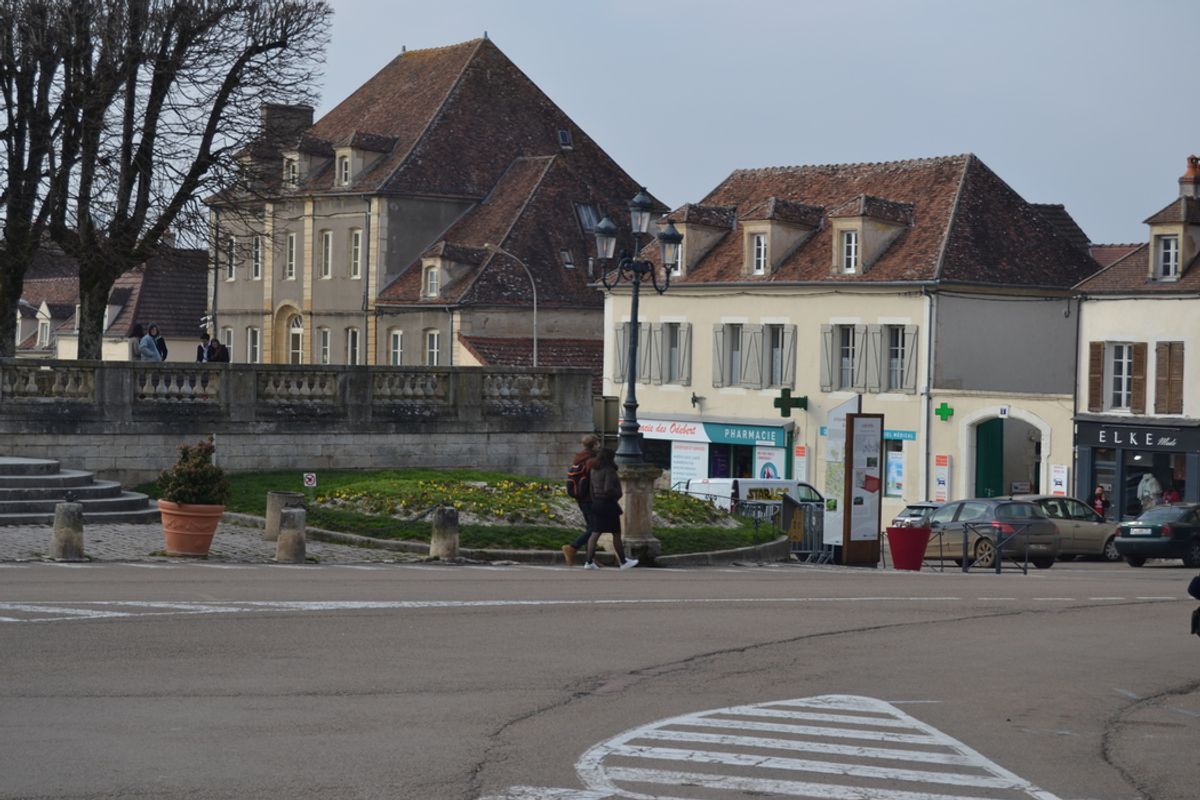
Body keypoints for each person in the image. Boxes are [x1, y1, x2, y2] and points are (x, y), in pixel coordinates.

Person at [583, 448, 637, 571]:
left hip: (596, 502)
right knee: (616, 533)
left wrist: (595, 499)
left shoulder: (593, 470)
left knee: (595, 532)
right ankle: (623, 561)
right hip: (608, 504)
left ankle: (589, 561)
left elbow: (591, 488)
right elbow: (608, 488)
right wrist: (618, 494)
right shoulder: (609, 470)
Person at [561, 434, 601, 567]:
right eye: (598, 443)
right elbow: (596, 480)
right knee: (596, 528)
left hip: (581, 497)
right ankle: (572, 547)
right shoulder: (590, 461)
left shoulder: (579, 457)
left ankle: (590, 558)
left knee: (592, 526)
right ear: (594, 445)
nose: (599, 445)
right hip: (589, 498)